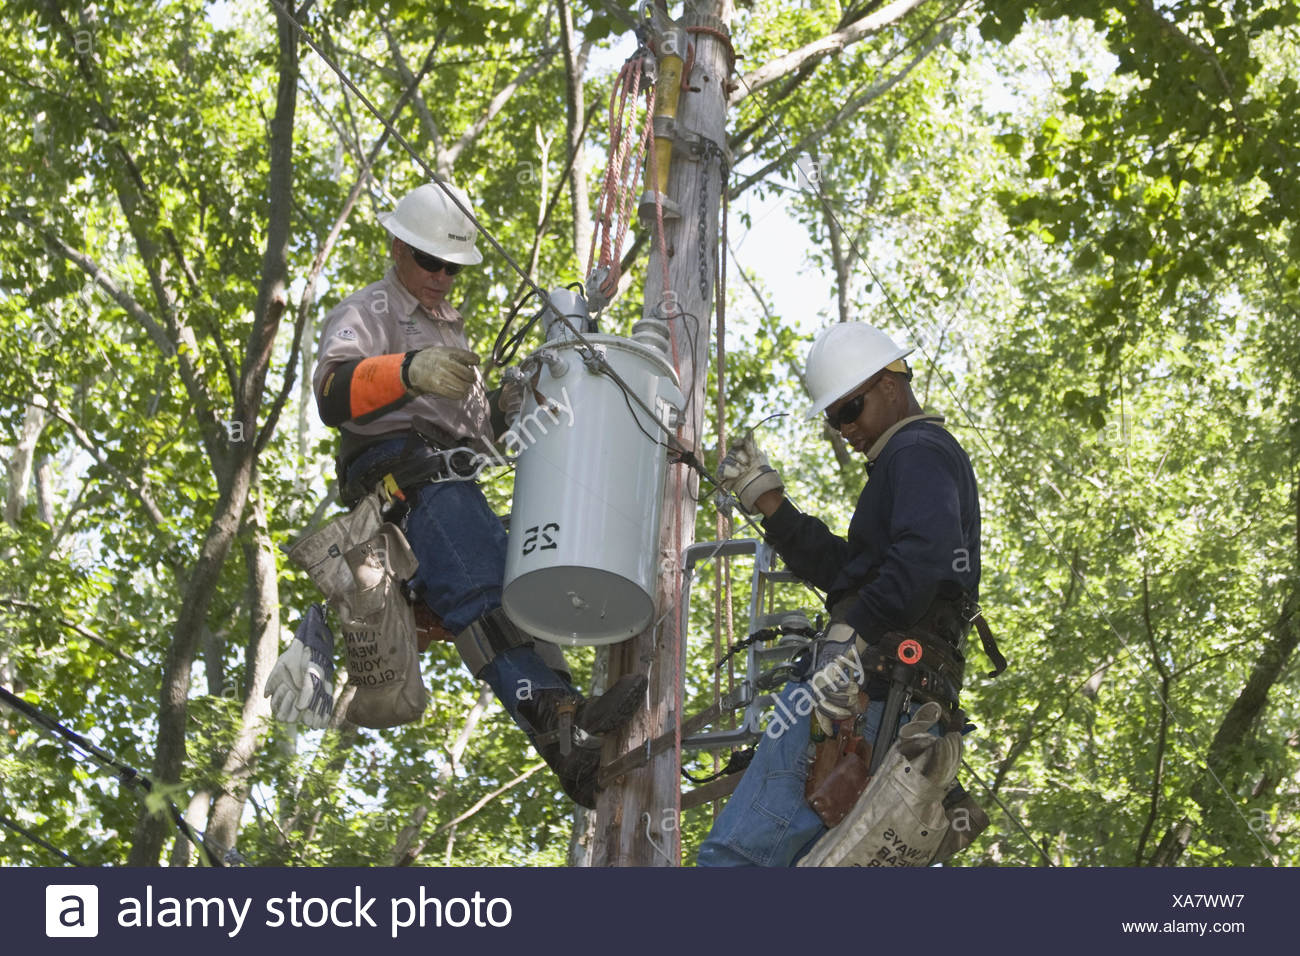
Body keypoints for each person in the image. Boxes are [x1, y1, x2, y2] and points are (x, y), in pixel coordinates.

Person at [286, 180, 644, 808]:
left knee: (520, 589)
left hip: (455, 486)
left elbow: (475, 435)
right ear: (397, 246)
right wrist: (406, 371)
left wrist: (502, 413)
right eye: (430, 261)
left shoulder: (448, 332)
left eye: (452, 266)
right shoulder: (370, 312)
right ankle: (561, 724)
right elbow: (332, 393)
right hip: (410, 489)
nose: (443, 277)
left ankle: (571, 738)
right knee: (484, 601)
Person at [698, 321, 989, 865]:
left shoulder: (917, 448)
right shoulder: (910, 462)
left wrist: (850, 640)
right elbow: (853, 574)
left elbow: (922, 557)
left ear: (890, 383)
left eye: (847, 410)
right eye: (833, 419)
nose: (842, 428)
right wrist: (772, 507)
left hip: (862, 696)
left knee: (734, 863)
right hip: (894, 701)